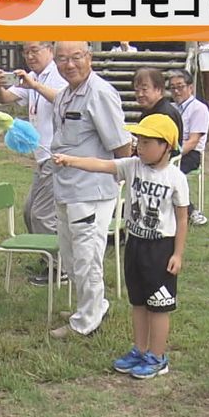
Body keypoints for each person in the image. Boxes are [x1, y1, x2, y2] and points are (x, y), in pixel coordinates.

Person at [54, 114, 188, 379]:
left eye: (148, 142)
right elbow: (102, 165)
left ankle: (158, 357)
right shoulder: (132, 166)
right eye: (139, 140)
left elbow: (182, 218)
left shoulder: (176, 178)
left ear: (166, 147)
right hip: (135, 244)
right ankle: (139, 349)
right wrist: (71, 160)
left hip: (160, 249)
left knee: (158, 306)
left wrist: (178, 253)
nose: (140, 146)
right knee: (137, 302)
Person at [39, 41, 133, 340]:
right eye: (62, 59)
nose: (69, 64)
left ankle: (86, 321)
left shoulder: (100, 93)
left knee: (86, 255)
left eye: (76, 57)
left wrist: (121, 185)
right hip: (66, 187)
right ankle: (90, 305)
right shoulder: (67, 94)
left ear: (89, 57)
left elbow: (121, 146)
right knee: (70, 255)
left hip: (90, 191)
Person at [0, 41, 68, 284]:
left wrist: (35, 85)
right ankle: (48, 258)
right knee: (29, 212)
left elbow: (63, 100)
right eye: (25, 52)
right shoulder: (33, 76)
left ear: (50, 49)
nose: (29, 56)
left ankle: (61, 268)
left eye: (34, 50)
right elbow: (6, 98)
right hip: (41, 157)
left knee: (42, 214)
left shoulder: (57, 74)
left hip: (55, 154)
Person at [167, 70, 209, 226]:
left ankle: (190, 211)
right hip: (170, 151)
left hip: (191, 153)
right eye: (172, 88)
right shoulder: (171, 108)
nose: (176, 91)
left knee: (168, 174)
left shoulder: (199, 109)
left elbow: (193, 141)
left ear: (190, 87)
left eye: (180, 86)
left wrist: (172, 155)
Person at [134, 67, 184, 147]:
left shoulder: (165, 114)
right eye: (136, 90)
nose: (140, 94)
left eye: (144, 89)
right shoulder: (148, 111)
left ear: (159, 89)